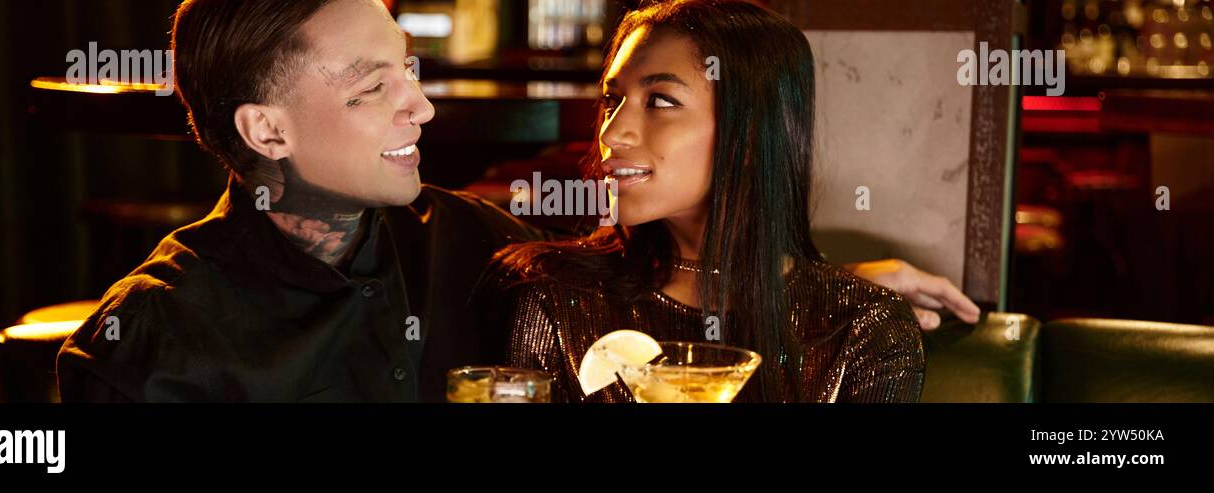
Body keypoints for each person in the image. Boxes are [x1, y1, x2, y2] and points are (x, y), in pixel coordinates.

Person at [58, 0, 978, 402]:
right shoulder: (145, 348)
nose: (422, 104)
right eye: (373, 85)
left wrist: (821, 284)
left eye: (410, 70)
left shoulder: (463, 243)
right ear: (268, 132)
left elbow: (638, 278)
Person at [500, 0, 935, 403]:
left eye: (660, 101)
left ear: (749, 134)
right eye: (613, 100)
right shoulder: (558, 297)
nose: (612, 133)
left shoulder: (865, 329)